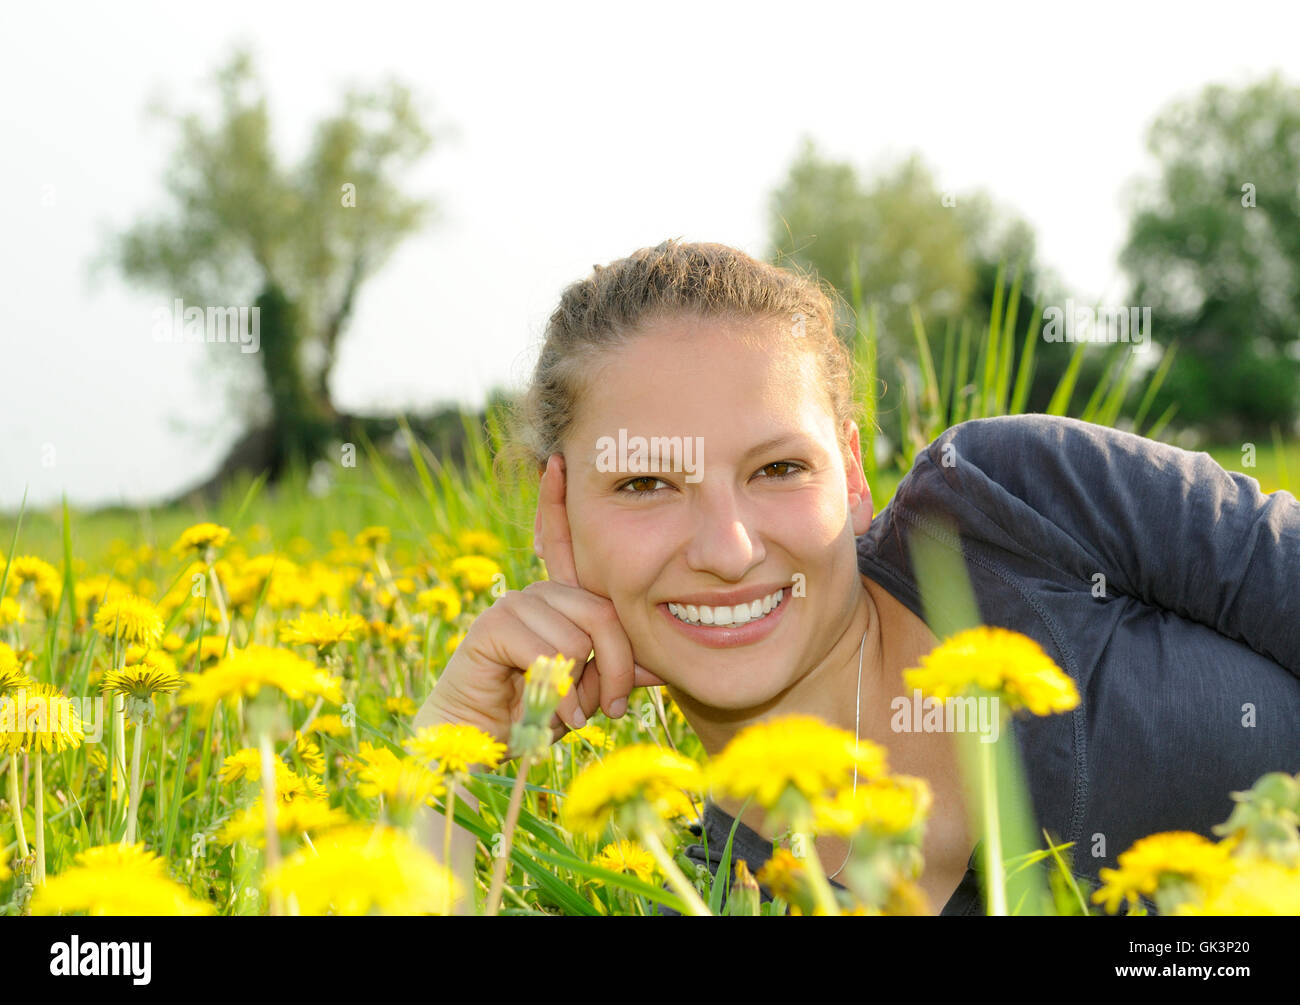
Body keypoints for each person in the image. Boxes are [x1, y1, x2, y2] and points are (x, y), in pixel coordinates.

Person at [415, 238, 1300, 915]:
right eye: (647, 483)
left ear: (851, 471)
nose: (727, 547)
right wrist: (450, 747)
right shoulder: (716, 889)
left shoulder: (1013, 502)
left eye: (777, 470)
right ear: (556, 515)